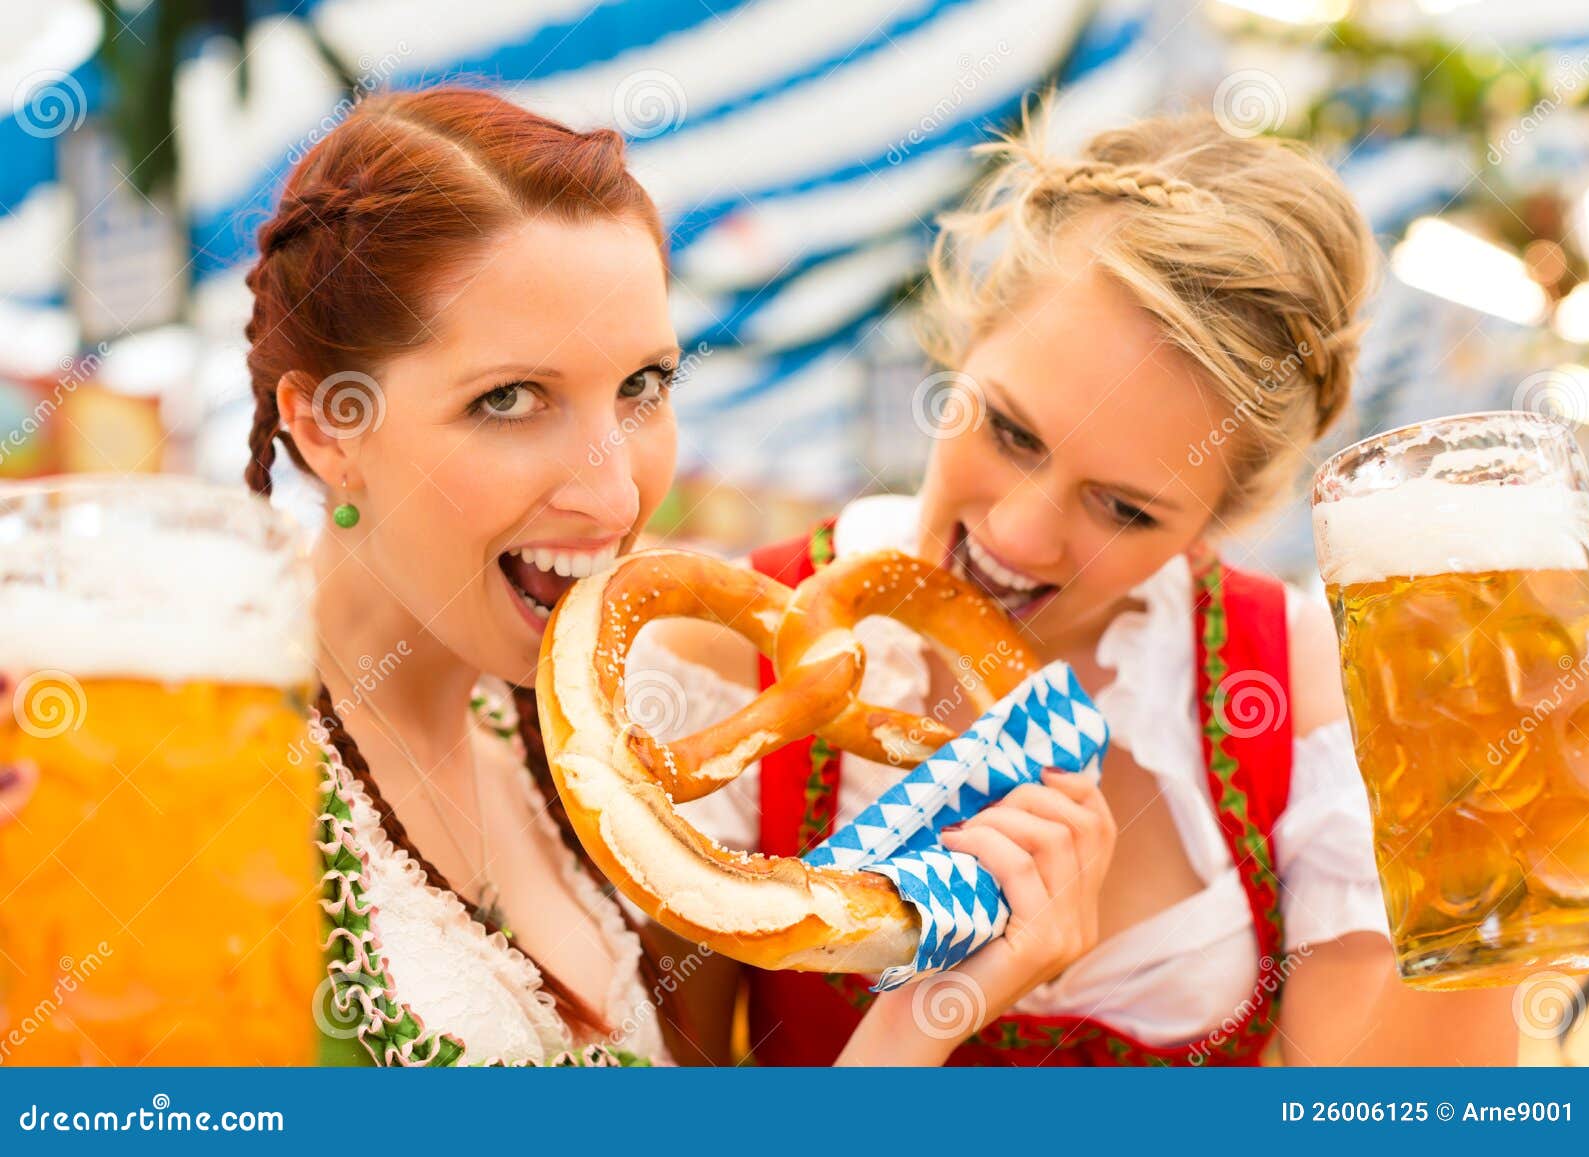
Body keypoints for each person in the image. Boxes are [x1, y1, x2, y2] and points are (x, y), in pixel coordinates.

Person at [241, 85, 1104, 1067]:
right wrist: (910, 1034)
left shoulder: (569, 762)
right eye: (511, 397)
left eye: (643, 386)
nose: (615, 500)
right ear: (326, 425)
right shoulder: (185, 786)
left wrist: (941, 992)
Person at [636, 109, 1520, 1065]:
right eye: (1010, 431)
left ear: (1213, 528)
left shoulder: (1312, 696)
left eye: (1126, 510)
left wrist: (1494, 833)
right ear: (963, 344)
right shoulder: (728, 652)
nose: (1018, 531)